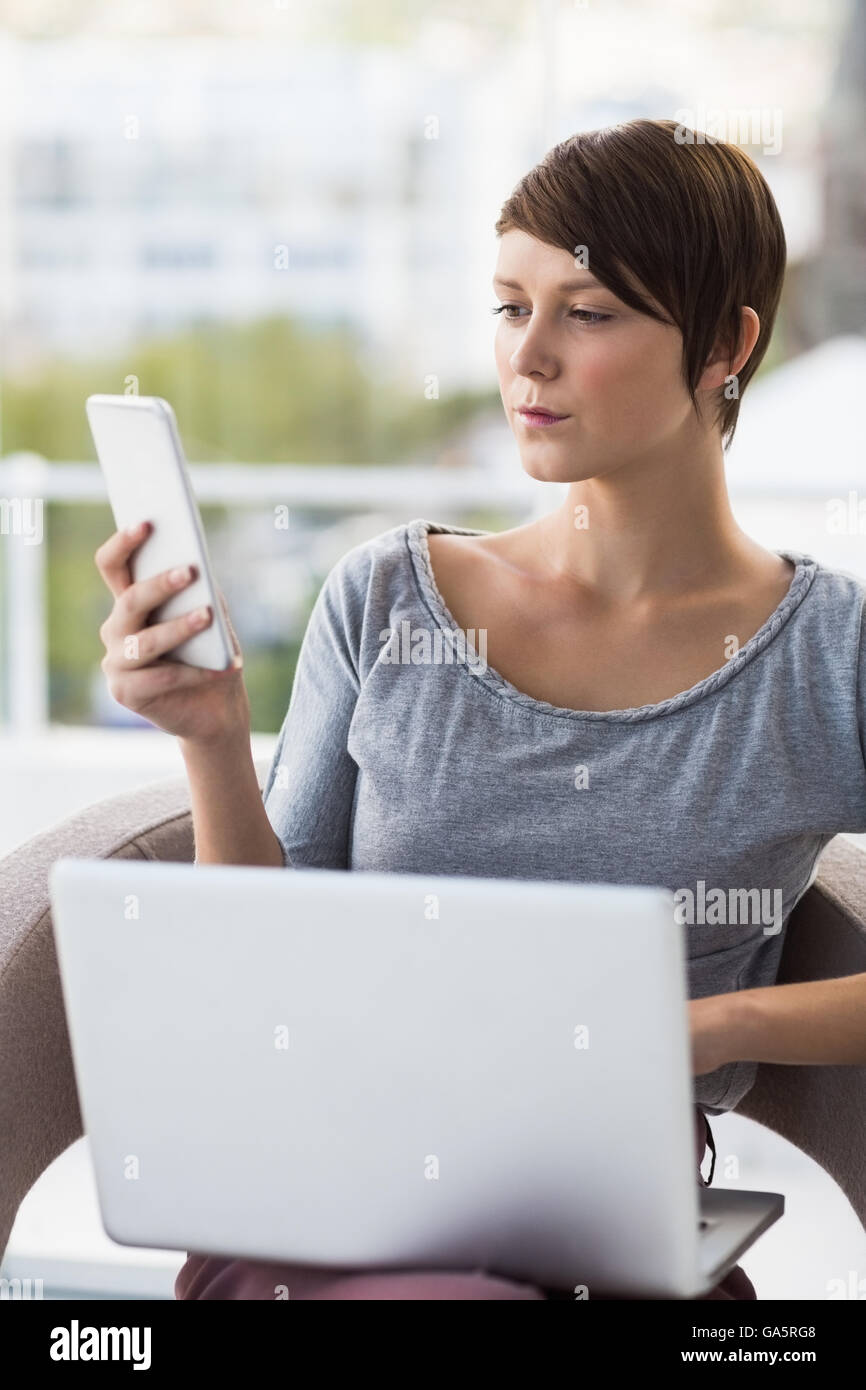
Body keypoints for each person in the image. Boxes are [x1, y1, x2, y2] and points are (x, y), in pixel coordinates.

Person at [95, 118, 866, 1301]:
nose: (529, 357)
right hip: (324, 1196)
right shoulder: (384, 597)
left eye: (588, 310)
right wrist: (208, 738)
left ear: (724, 341)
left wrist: (707, 1028)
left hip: (613, 1232)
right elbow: (265, 965)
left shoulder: (825, 655)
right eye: (509, 307)